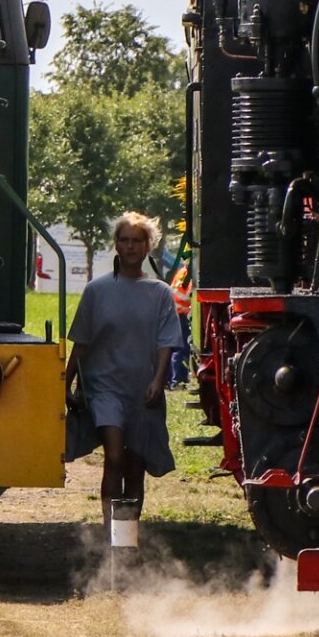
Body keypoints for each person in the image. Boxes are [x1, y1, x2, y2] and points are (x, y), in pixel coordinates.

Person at [65, 211, 183, 535]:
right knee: (115, 455)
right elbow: (81, 341)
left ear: (148, 245)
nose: (130, 246)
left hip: (141, 390)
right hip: (104, 387)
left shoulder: (160, 293)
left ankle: (126, 538)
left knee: (135, 463)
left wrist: (158, 380)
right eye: (124, 240)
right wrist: (66, 381)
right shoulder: (97, 290)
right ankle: (109, 534)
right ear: (116, 244)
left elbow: (166, 343)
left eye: (137, 241)